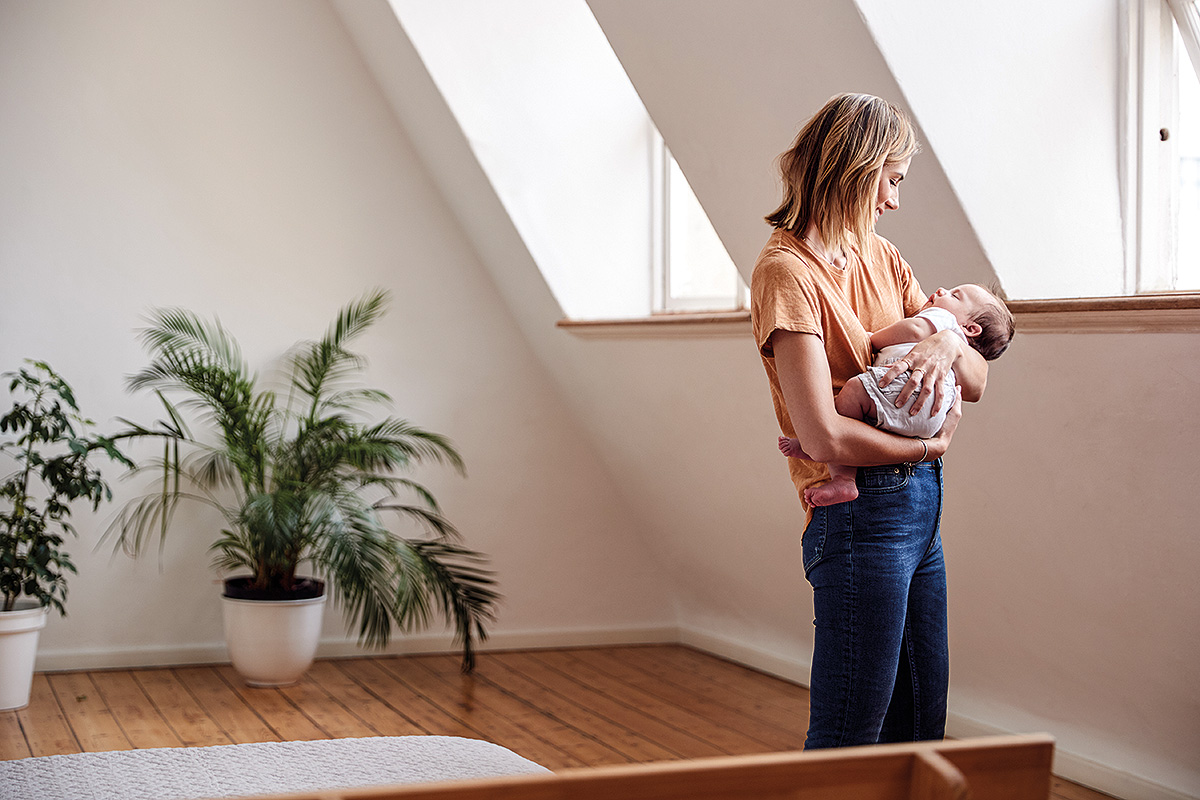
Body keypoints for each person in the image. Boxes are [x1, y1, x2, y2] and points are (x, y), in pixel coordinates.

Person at [750, 92, 990, 749]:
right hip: (859, 517)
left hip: (920, 510)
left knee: (919, 731)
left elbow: (977, 380)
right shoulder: (785, 274)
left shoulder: (884, 258)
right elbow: (824, 434)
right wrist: (926, 447)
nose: (894, 200)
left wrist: (946, 340)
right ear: (859, 170)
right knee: (849, 737)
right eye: (893, 180)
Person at [778, 283, 1014, 507]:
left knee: (853, 392)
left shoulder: (944, 319)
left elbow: (914, 328)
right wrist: (930, 447)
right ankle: (817, 449)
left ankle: (844, 478)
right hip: (932, 419)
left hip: (906, 390)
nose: (942, 290)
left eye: (955, 295)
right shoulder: (956, 342)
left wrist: (872, 339)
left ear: (970, 328)